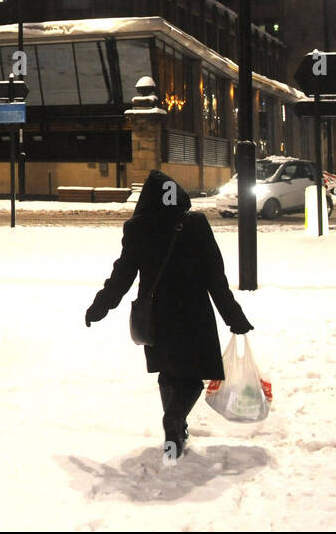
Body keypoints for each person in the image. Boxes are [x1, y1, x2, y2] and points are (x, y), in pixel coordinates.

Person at [85, 169, 253, 459]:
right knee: (191, 378)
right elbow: (216, 277)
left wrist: (101, 306)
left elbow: (122, 275)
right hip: (194, 313)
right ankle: (175, 420)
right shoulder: (196, 224)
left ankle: (176, 429)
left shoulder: (138, 229)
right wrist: (233, 315)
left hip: (157, 315)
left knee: (167, 372)